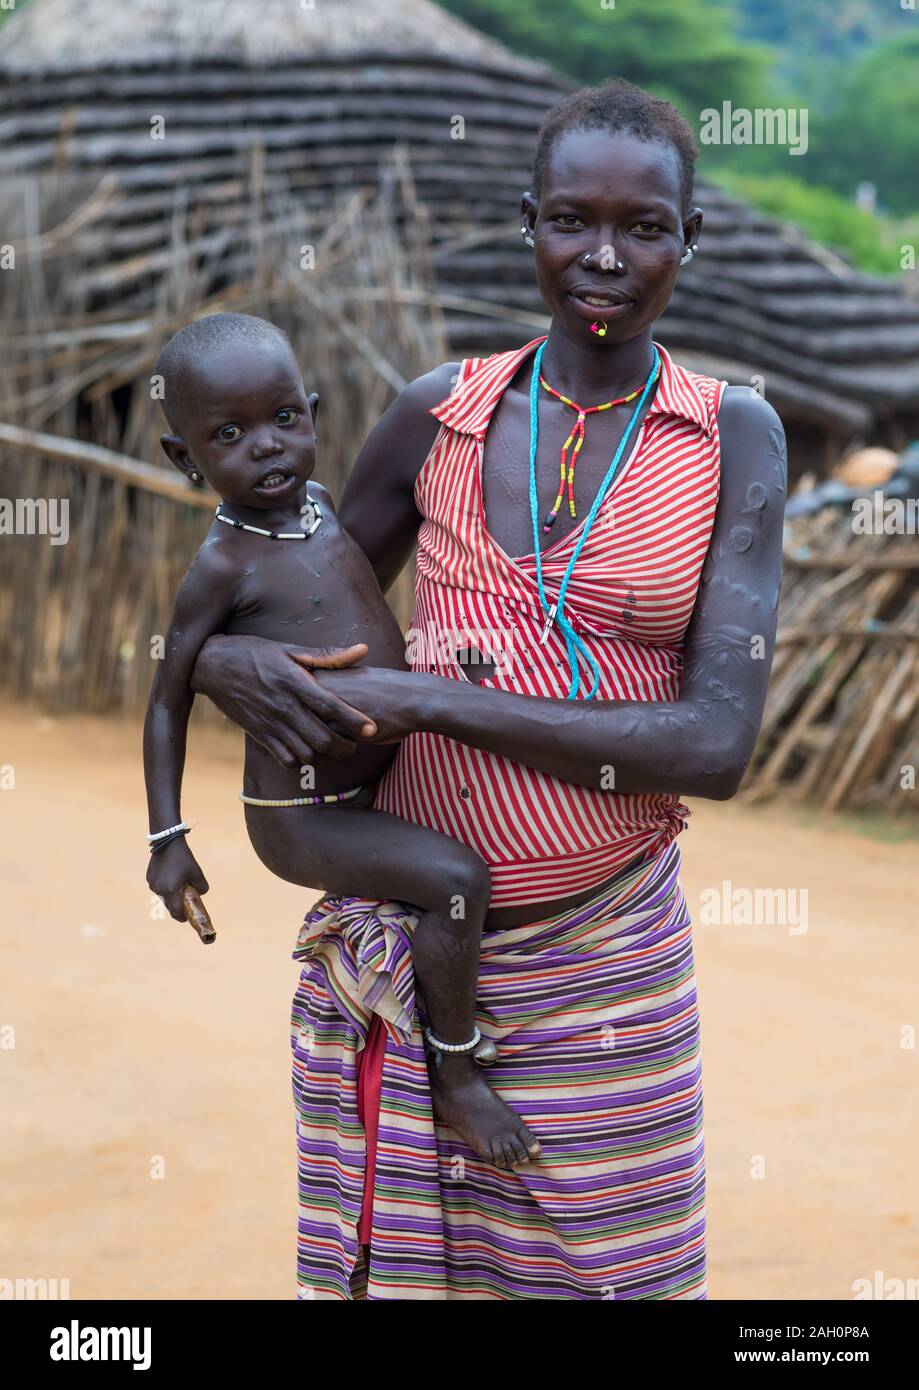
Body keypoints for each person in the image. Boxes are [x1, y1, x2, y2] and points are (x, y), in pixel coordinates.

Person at [189, 79, 787, 1300]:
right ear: (528, 222)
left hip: (602, 962)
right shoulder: (436, 418)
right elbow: (274, 594)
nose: (604, 257)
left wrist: (432, 701)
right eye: (571, 220)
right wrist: (213, 660)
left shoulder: (734, 436)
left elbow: (716, 745)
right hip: (410, 954)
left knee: (617, 1271)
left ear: (690, 240)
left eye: (645, 227)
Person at [142, 312, 539, 1169]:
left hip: (368, 785)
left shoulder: (321, 508)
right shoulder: (222, 566)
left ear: (313, 412)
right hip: (303, 814)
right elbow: (167, 700)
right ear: (186, 460)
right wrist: (167, 840)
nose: (269, 448)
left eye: (285, 419)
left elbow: (358, 610)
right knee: (457, 880)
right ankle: (456, 1069)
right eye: (229, 435)